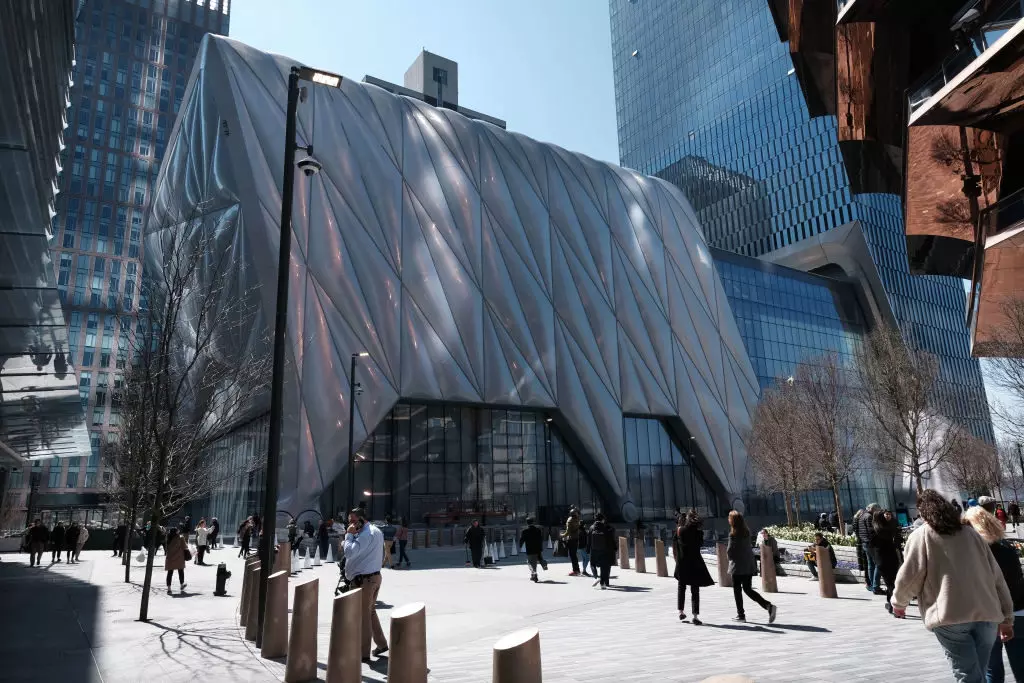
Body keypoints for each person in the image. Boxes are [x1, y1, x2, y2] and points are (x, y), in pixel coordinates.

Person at [892, 490, 1013, 683]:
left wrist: (899, 603)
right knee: (978, 673)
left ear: (923, 513)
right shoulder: (972, 534)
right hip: (986, 612)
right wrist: (1007, 616)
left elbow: (910, 576)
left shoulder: (922, 535)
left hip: (949, 615)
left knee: (968, 675)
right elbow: (996, 577)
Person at [963, 506, 1024, 683]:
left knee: (992, 670)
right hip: (1017, 610)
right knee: (1021, 667)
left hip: (987, 615)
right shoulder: (1007, 548)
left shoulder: (972, 554)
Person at [342, 508, 389, 664]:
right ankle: (381, 644)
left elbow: (349, 552)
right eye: (349, 521)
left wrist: (348, 535)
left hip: (364, 581)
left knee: (363, 616)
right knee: (370, 612)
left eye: (353, 521)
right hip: (372, 577)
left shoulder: (364, 534)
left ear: (362, 519)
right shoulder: (375, 531)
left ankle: (363, 653)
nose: (351, 524)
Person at [727, 510, 776, 624]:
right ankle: (768, 606)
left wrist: (730, 558)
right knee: (748, 589)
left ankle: (741, 615)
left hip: (737, 565)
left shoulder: (733, 534)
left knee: (737, 590)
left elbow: (730, 551)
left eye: (729, 518)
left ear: (732, 521)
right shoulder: (746, 531)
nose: (728, 520)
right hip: (748, 564)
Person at [674, 510, 713, 625]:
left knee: (682, 587)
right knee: (695, 590)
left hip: (682, 563)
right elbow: (700, 544)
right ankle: (695, 616)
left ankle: (681, 611)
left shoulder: (680, 530)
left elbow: (675, 544)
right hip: (695, 562)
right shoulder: (698, 532)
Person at [872, 509, 903, 613]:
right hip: (892, 558)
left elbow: (871, 545)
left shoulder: (875, 530)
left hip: (881, 560)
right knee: (893, 583)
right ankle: (892, 604)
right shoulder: (890, 529)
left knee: (890, 584)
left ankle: (893, 605)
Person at [857, 502, 882, 594]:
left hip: (865, 543)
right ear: (873, 509)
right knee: (877, 564)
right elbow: (872, 530)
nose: (878, 512)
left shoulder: (862, 516)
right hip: (871, 544)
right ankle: (876, 586)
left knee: (871, 565)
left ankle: (872, 585)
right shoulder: (869, 517)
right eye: (878, 510)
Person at [588, 513, 616, 589]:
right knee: (604, 567)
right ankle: (602, 583)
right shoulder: (605, 528)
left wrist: (588, 550)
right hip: (604, 550)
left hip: (594, 550)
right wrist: (613, 548)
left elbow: (589, 540)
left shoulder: (591, 528)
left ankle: (596, 577)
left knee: (592, 564)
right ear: (602, 519)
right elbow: (610, 540)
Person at [519, 516, 547, 582]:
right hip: (538, 548)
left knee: (530, 562)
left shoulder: (525, 531)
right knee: (540, 558)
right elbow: (541, 539)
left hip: (530, 549)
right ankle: (544, 565)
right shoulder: (538, 530)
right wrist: (541, 547)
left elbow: (521, 540)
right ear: (533, 522)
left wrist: (520, 545)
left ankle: (534, 573)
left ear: (527, 523)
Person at [164, 527, 188, 594]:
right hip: (179, 557)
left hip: (170, 558)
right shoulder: (180, 538)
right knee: (180, 571)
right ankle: (181, 584)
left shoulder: (168, 538)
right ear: (176, 532)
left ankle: (169, 588)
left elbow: (165, 548)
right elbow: (185, 547)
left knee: (170, 573)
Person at [562, 507, 581, 576]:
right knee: (574, 555)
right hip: (576, 538)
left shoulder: (570, 520)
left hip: (571, 539)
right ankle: (577, 570)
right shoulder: (578, 519)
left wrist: (562, 535)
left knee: (572, 555)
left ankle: (575, 570)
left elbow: (568, 532)